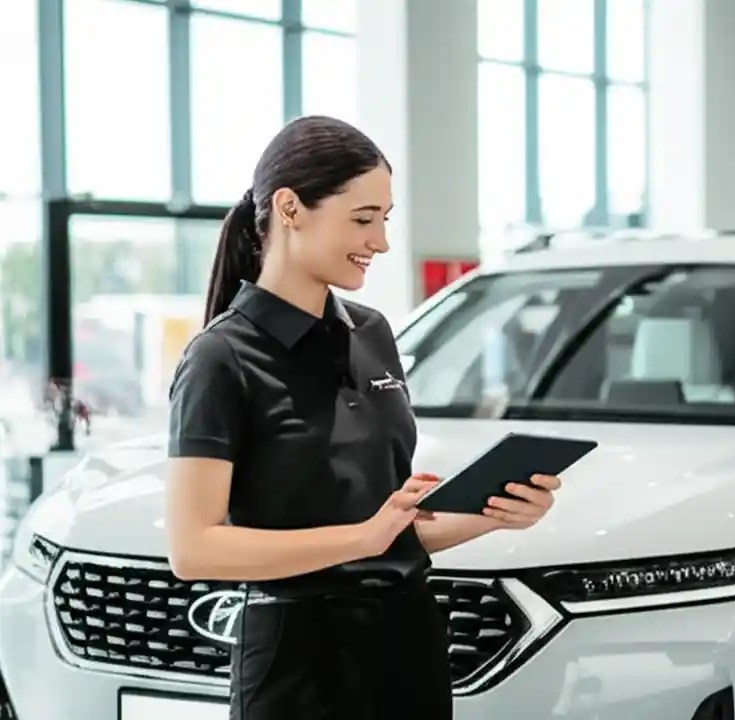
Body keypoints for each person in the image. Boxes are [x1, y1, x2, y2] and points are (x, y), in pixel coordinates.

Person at [164, 115, 562, 720]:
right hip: (298, 662)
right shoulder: (221, 358)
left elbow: (388, 534)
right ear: (290, 208)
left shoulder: (373, 332)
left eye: (384, 219)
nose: (379, 241)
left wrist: (494, 516)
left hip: (407, 645)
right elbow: (194, 550)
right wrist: (364, 537)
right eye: (362, 219)